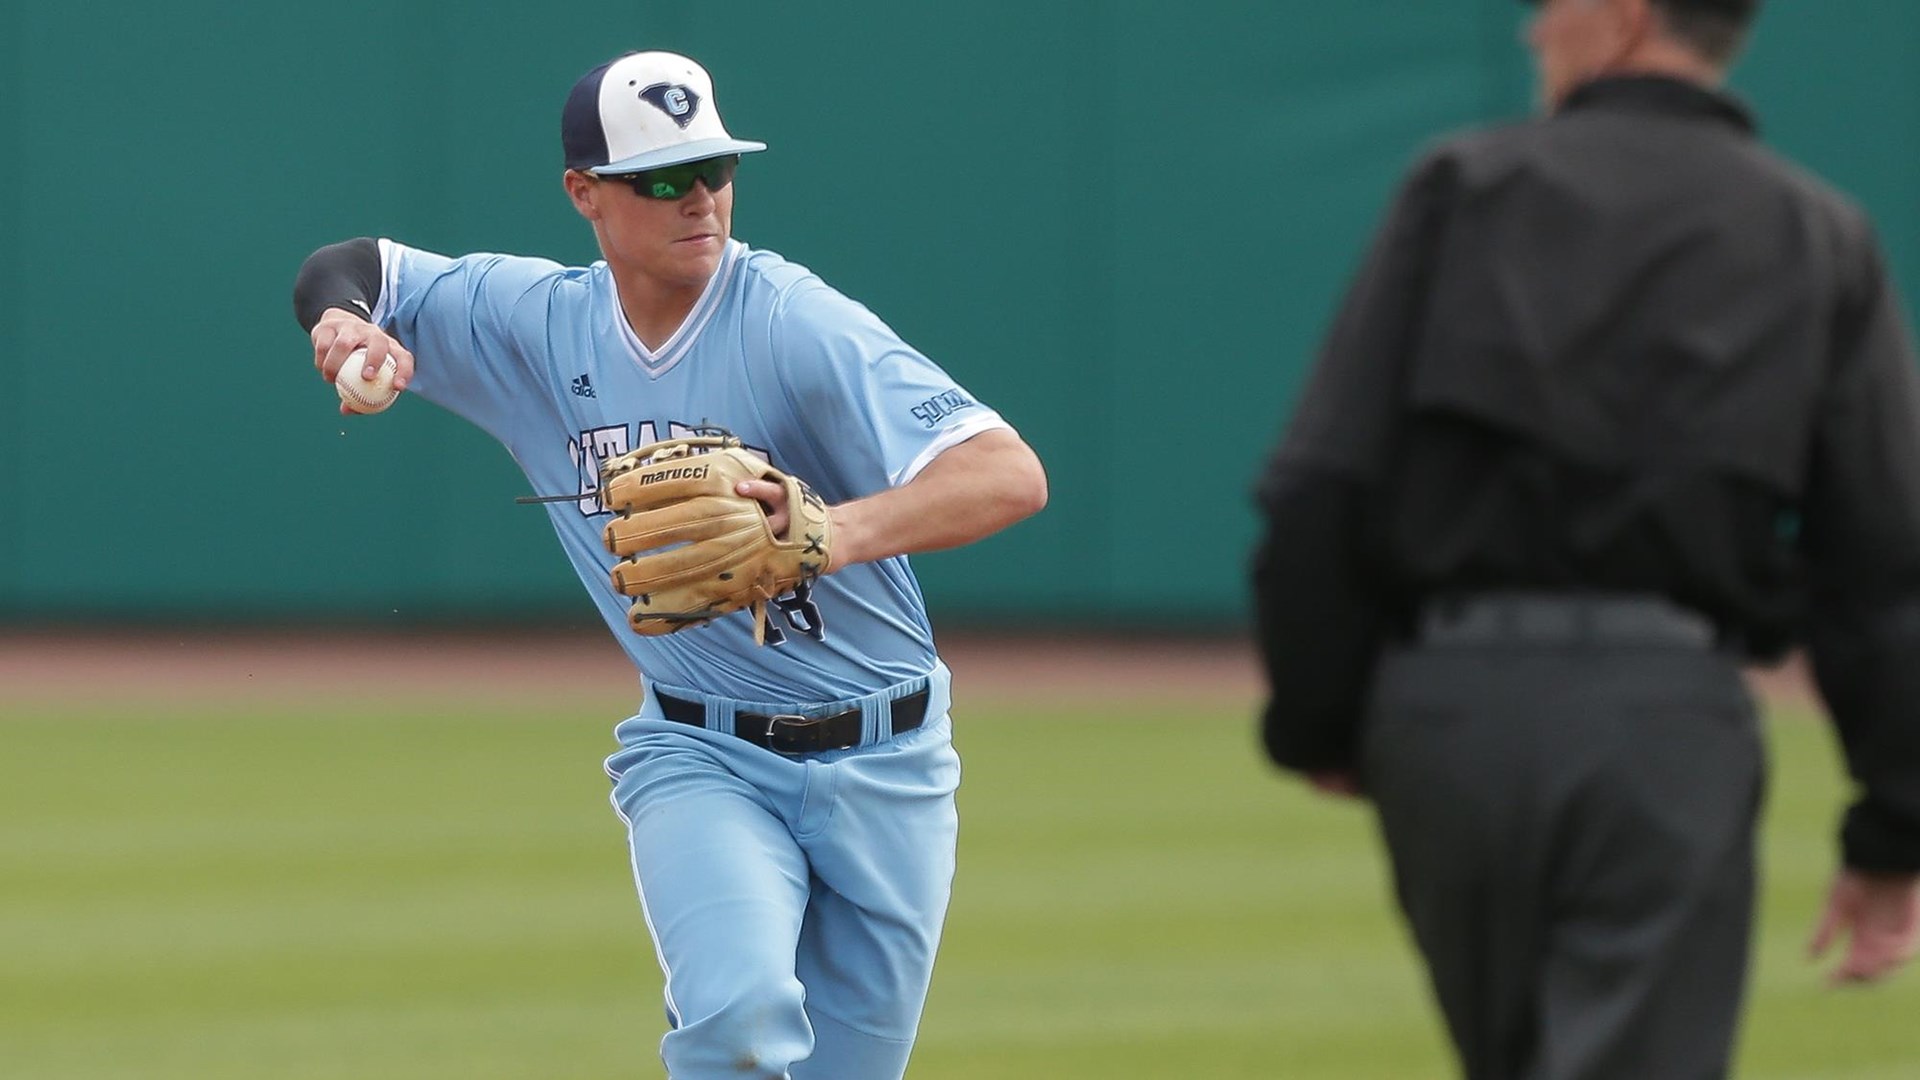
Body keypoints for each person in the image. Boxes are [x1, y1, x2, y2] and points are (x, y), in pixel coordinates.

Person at [291, 50, 1046, 1080]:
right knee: (737, 1023)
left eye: (715, 169)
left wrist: (828, 533)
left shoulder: (793, 320)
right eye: (661, 177)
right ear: (584, 194)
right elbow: (354, 266)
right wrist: (341, 326)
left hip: (892, 764)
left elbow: (1007, 476)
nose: (697, 196)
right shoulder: (534, 323)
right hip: (703, 756)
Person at [1249, 1, 1920, 1076]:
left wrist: (1323, 719)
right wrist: (1897, 823)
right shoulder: (1815, 230)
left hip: (1448, 717)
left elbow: (1322, 484)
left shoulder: (1464, 188)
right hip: (1663, 722)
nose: (1531, 31)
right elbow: (1883, 567)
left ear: (1621, 16)